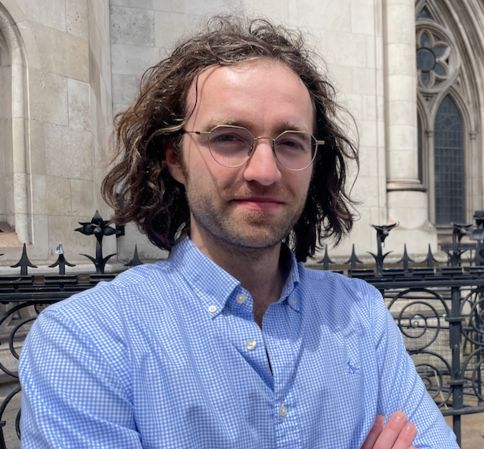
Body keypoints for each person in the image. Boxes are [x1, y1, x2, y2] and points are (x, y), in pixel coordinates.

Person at [19, 16, 459, 449]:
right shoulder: (84, 340)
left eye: (290, 142)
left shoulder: (361, 314)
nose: (264, 171)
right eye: (228, 138)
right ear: (174, 157)